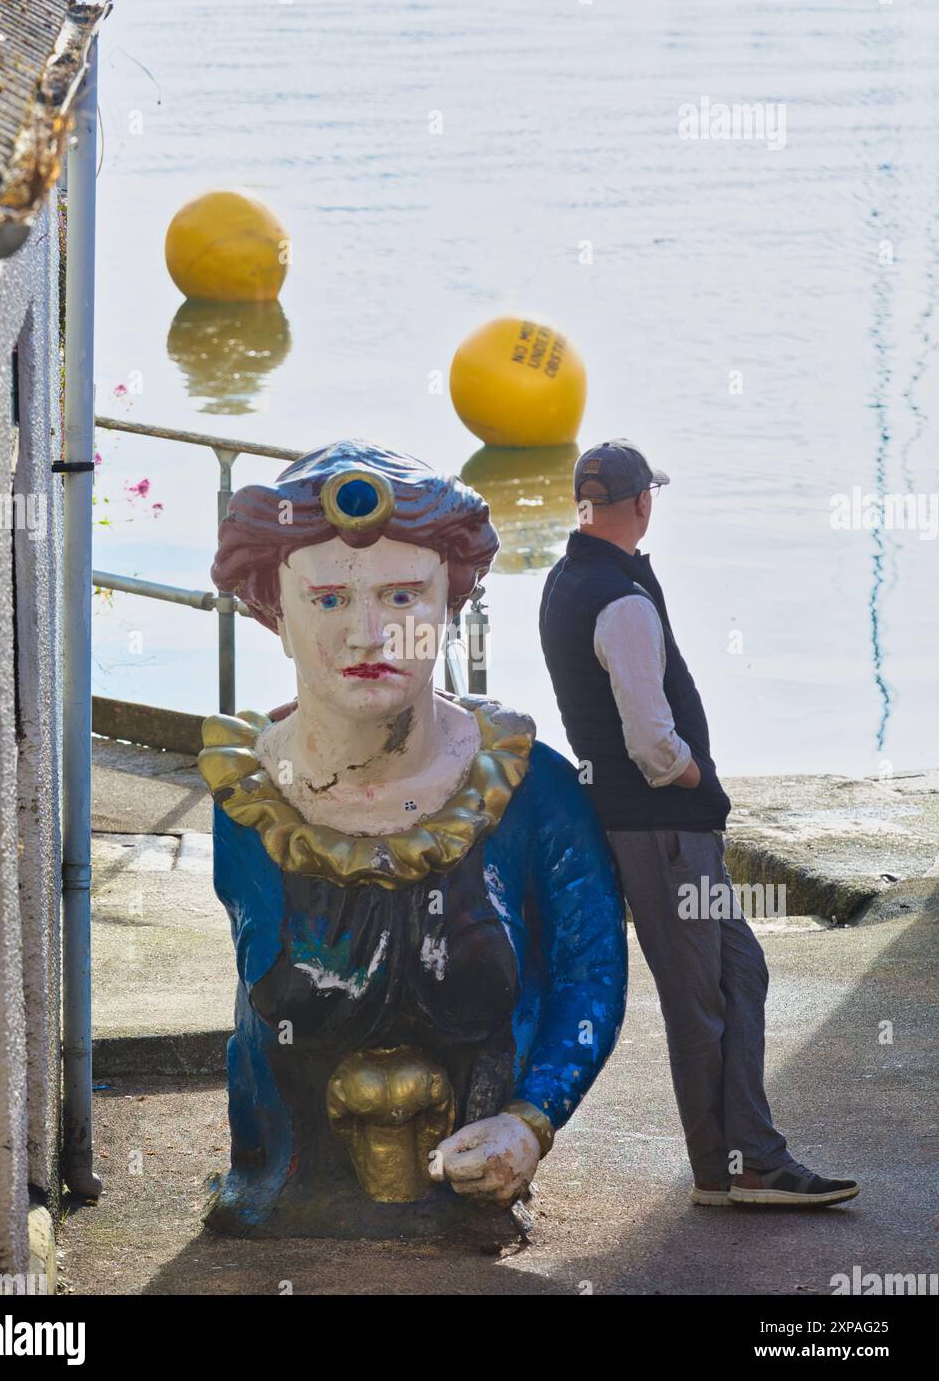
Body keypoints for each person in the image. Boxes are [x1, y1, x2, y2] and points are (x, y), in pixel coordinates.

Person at [198, 439, 627, 1238]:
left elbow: (589, 974)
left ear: (447, 607)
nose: (369, 635)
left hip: (474, 1185)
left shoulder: (530, 791)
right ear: (273, 614)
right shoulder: (247, 801)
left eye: (402, 597)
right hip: (285, 1199)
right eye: (326, 600)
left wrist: (530, 1121)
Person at [539, 439, 859, 1208]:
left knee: (738, 972)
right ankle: (731, 1169)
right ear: (643, 503)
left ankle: (748, 1153)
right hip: (663, 830)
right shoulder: (619, 599)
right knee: (700, 999)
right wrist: (692, 773)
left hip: (653, 828)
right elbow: (650, 742)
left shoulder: (566, 581)